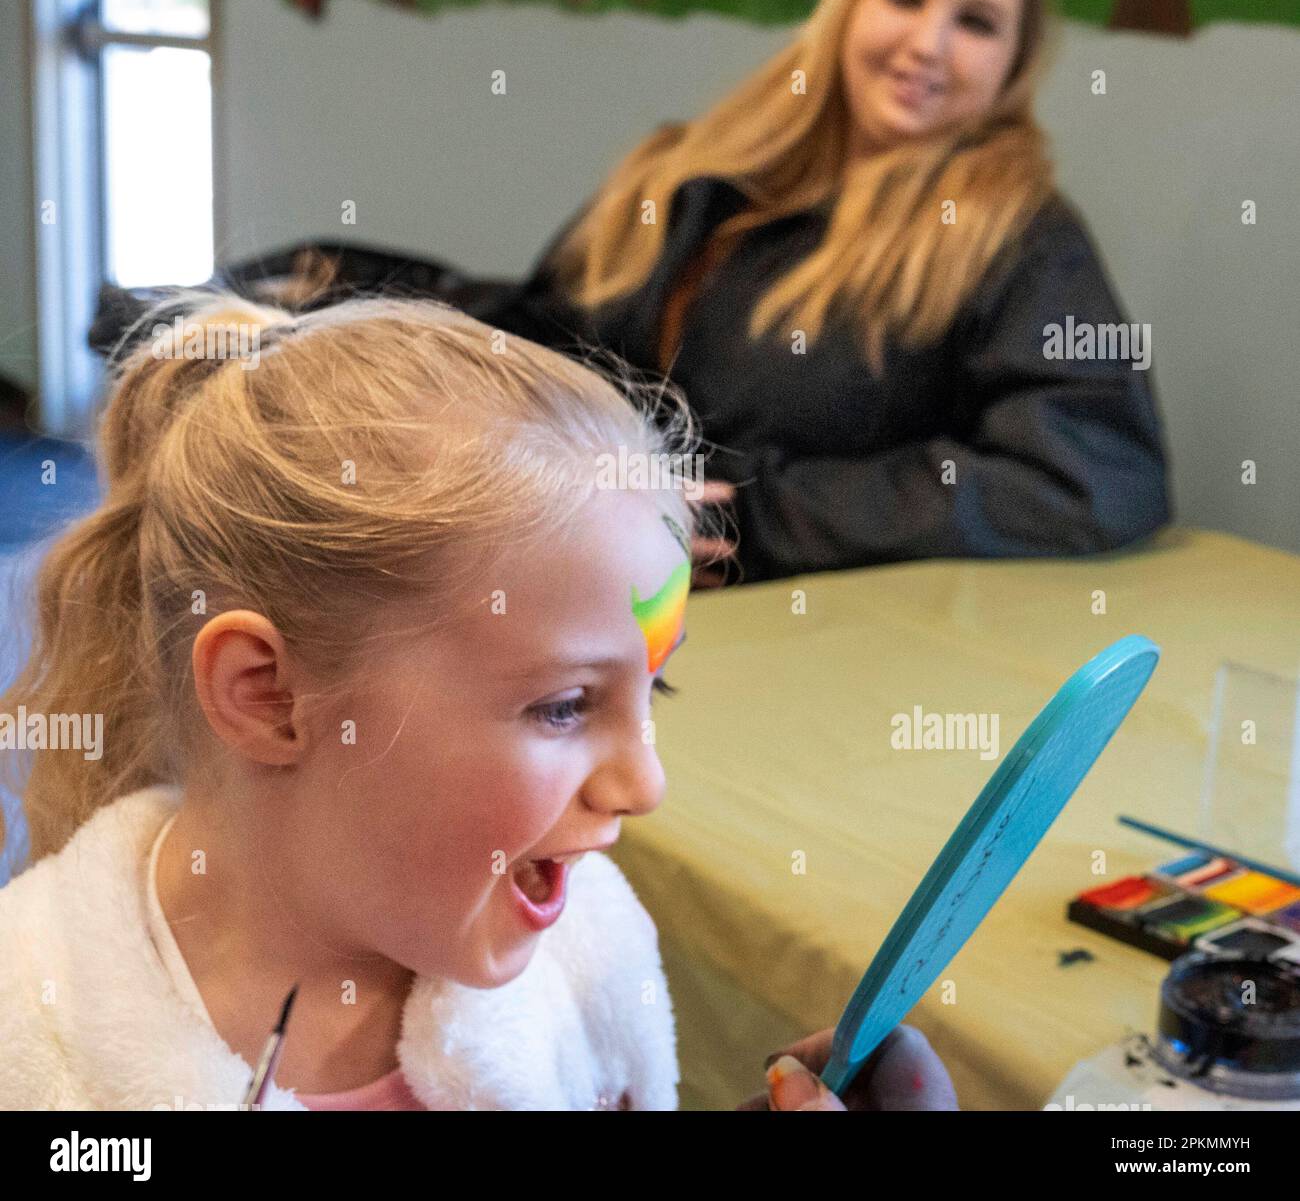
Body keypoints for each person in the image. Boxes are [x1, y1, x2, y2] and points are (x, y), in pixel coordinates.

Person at [0, 292, 955, 1111]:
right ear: (270, 695)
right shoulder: (33, 1038)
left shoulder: (588, 956)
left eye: (651, 685)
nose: (645, 782)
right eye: (565, 706)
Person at [388, 0, 1170, 586]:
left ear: (1013, 66)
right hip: (588, 599)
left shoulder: (1022, 237)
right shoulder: (683, 175)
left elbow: (1089, 477)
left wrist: (754, 519)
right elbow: (548, 343)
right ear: (847, 10)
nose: (928, 45)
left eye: (976, 22)